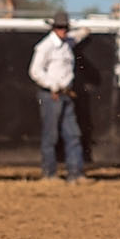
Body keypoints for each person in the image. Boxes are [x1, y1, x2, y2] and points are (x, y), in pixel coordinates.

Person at [29, 10, 87, 183]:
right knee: (51, 135)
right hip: (52, 94)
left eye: (65, 28)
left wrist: (85, 31)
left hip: (66, 94)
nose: (63, 30)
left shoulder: (67, 42)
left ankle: (75, 173)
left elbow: (77, 36)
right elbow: (35, 71)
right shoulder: (45, 46)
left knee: (73, 134)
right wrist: (52, 85)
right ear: (54, 28)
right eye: (60, 27)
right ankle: (49, 174)